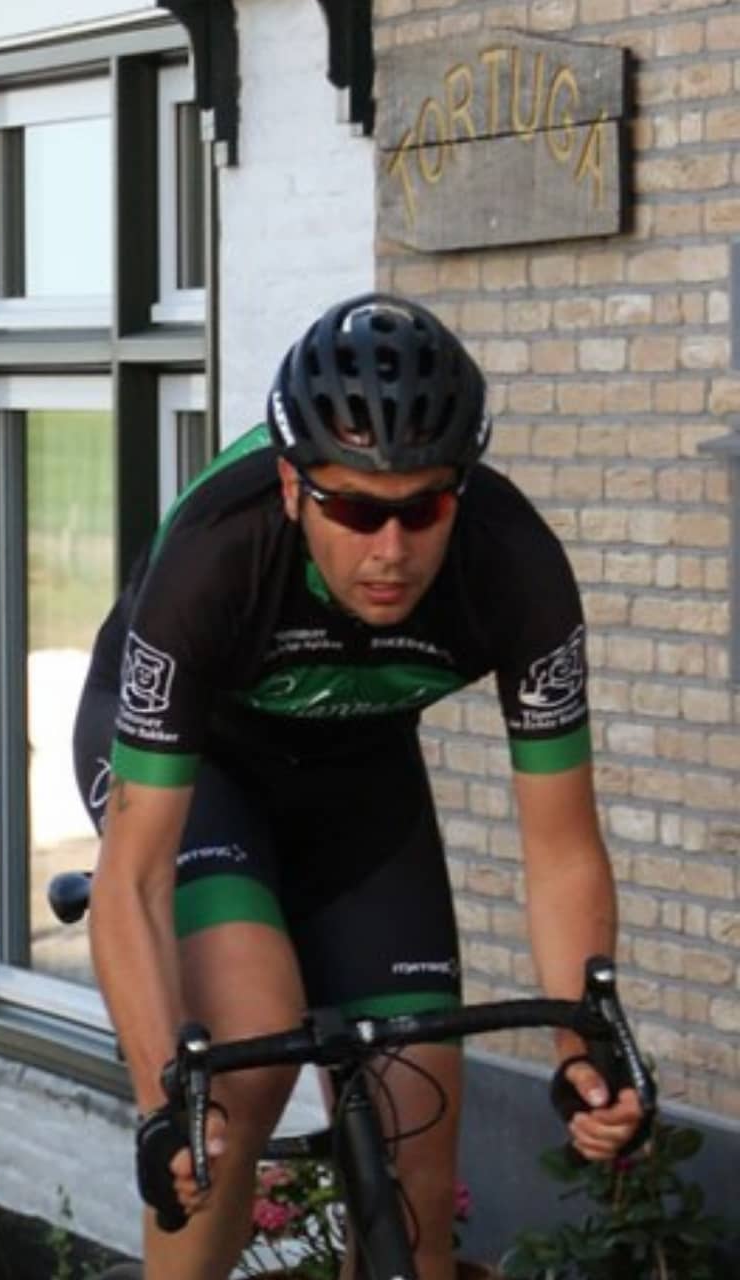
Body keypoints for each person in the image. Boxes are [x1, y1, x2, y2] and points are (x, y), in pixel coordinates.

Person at [74, 294, 647, 1280]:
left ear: (459, 491)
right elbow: (131, 880)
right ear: (294, 487)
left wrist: (581, 1044)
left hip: (356, 780)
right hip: (198, 769)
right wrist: (163, 1102)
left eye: (422, 507)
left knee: (420, 1156)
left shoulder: (516, 570)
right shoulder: (217, 555)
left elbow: (560, 850)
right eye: (355, 508)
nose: (391, 548)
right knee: (245, 1065)